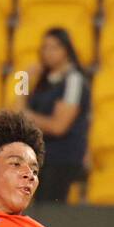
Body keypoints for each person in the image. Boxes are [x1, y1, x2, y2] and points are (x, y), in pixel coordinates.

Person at [22, 27, 91, 202]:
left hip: (62, 160)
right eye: (45, 48)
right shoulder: (42, 81)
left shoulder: (73, 80)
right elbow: (17, 111)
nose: (48, 53)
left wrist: (28, 117)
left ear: (66, 50)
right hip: (39, 159)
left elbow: (59, 126)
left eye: (54, 47)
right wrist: (23, 82)